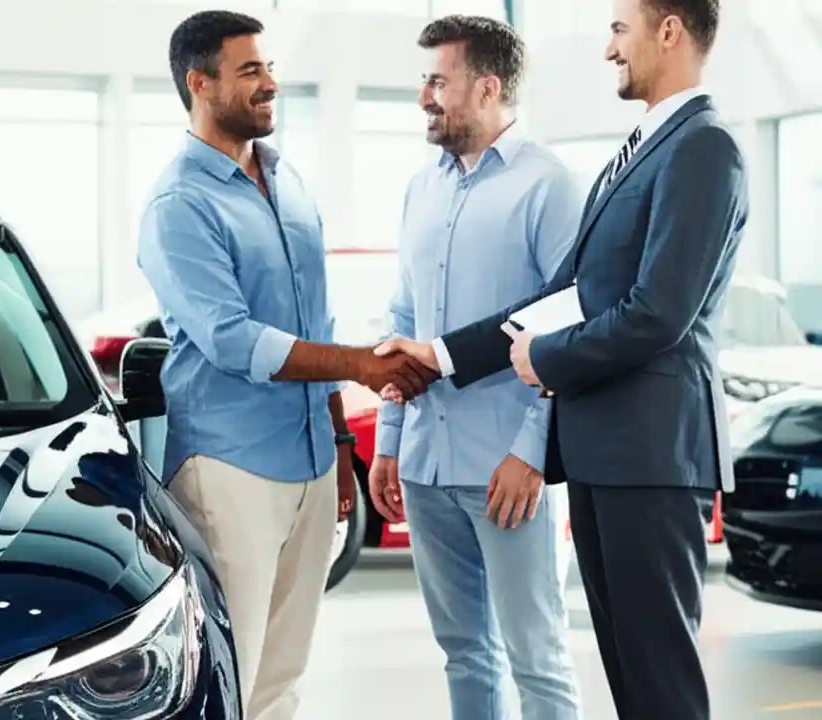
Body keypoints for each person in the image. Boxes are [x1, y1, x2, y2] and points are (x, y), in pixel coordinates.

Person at [379, 1, 743, 718]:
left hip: (653, 455)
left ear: (668, 30)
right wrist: (442, 355)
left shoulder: (705, 147)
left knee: (659, 681)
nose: (609, 50)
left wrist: (542, 360)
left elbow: (658, 314)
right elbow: (566, 296)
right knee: (632, 676)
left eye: (618, 29)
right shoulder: (637, 152)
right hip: (609, 454)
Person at [136, 10, 436, 720]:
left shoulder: (287, 179)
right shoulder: (179, 203)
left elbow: (313, 322)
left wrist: (335, 440)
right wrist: (362, 366)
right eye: (250, 71)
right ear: (199, 83)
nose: (271, 84)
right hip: (229, 465)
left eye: (269, 68)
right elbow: (232, 340)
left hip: (305, 459)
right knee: (227, 673)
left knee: (282, 675)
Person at [366, 15, 583, 720]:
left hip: (506, 471)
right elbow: (405, 321)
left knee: (537, 657)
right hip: (428, 465)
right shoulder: (419, 188)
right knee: (464, 649)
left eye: (439, 81)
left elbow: (566, 322)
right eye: (423, 81)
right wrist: (391, 444)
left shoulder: (549, 185)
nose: (425, 97)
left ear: (488, 87)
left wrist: (532, 452)